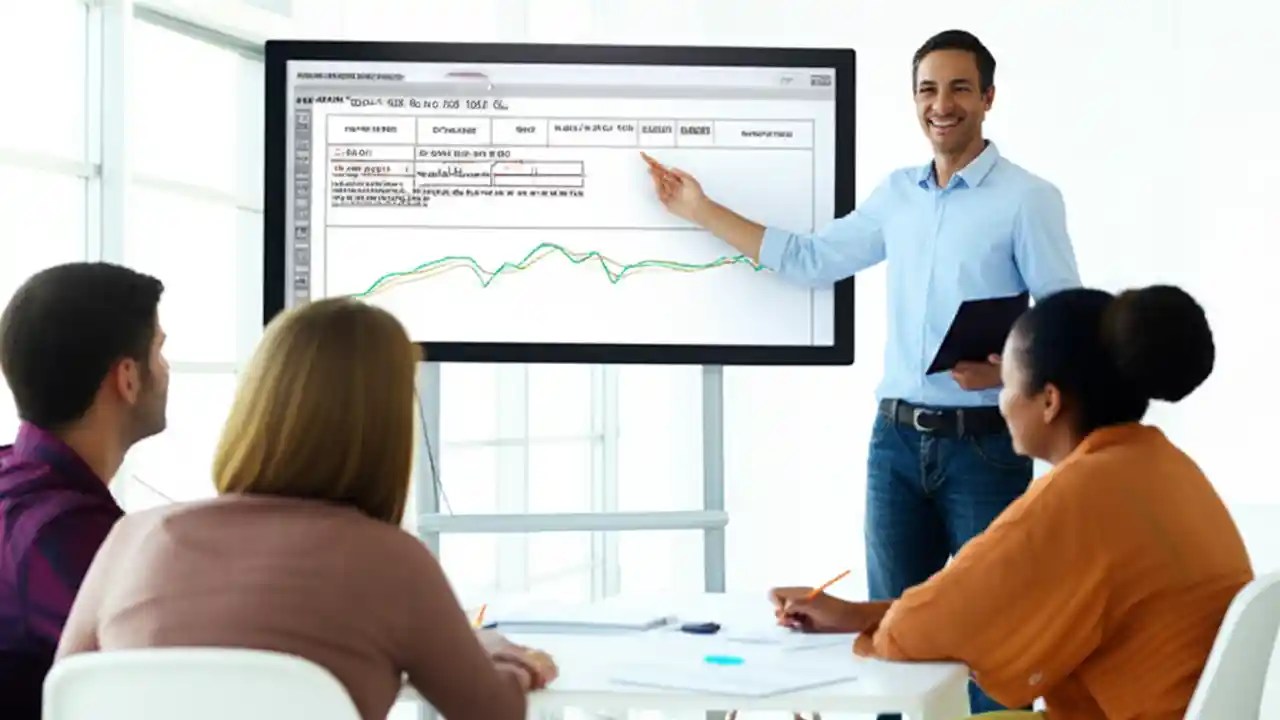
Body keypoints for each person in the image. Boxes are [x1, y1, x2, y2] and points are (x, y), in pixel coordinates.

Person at [643, 29, 1080, 715]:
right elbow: (812, 259)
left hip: (985, 450)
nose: (942, 104)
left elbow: (1066, 324)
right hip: (896, 446)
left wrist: (1004, 375)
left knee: (993, 640)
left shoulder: (1028, 199)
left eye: (960, 88)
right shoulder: (897, 195)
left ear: (988, 97)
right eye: (928, 89)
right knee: (892, 641)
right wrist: (699, 210)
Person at [54, 297, 558, 720]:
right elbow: (492, 713)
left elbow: (65, 691)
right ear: (387, 428)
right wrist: (505, 660)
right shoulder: (394, 562)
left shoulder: (133, 536)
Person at [770, 285, 1254, 720]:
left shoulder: (1078, 494)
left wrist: (875, 623)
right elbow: (967, 607)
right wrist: (856, 615)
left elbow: (917, 633)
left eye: (1007, 382)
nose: (1002, 403)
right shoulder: (1161, 466)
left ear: (1049, 401)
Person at [0, 262, 169, 720]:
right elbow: (158, 690)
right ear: (127, 378)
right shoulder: (63, 534)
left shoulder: (14, 482)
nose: (166, 369)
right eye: (158, 351)